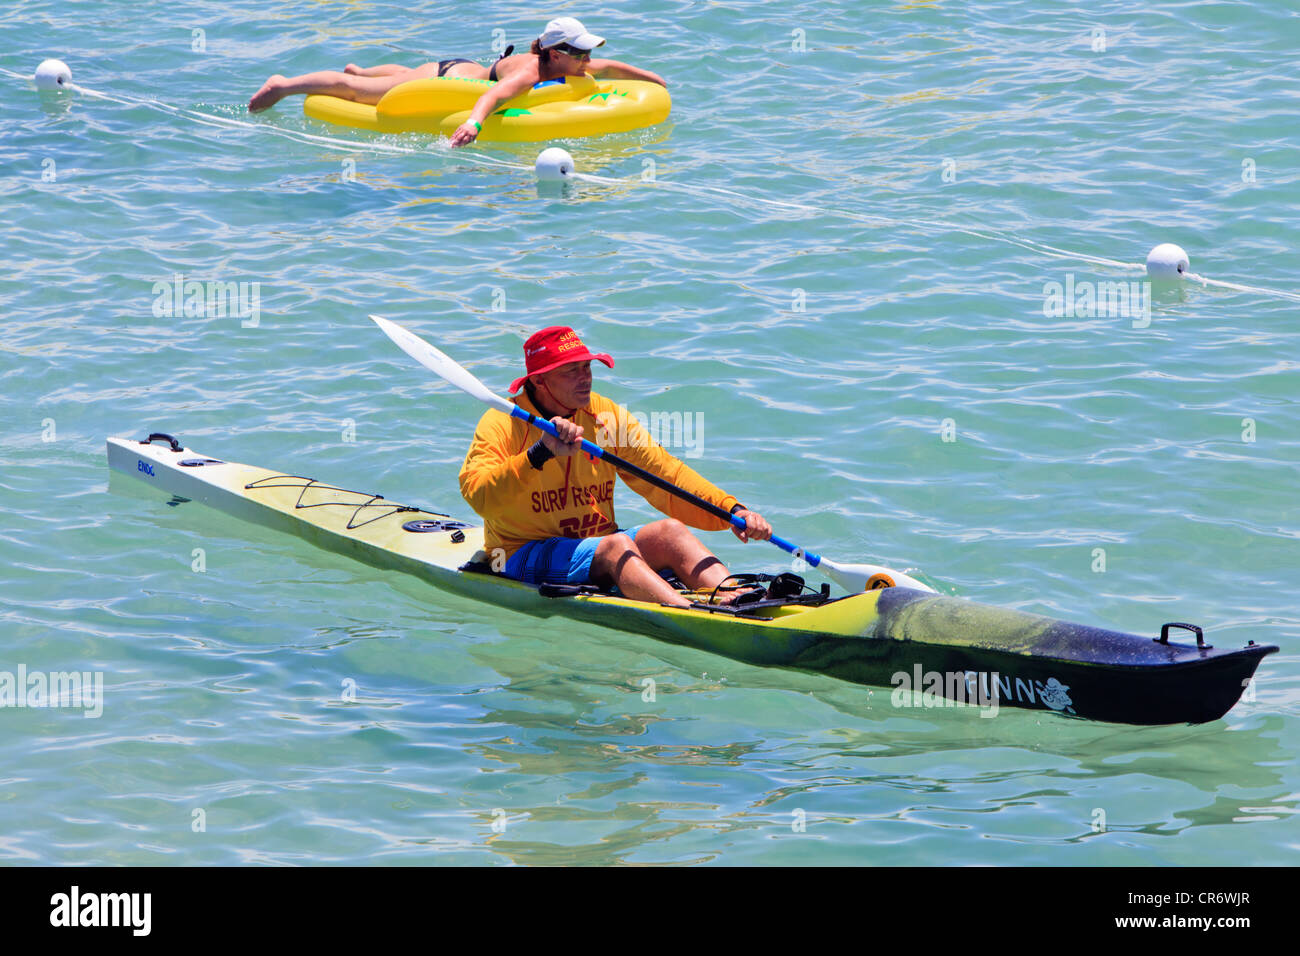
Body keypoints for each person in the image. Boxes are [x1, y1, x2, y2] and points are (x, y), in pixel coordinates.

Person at [459, 327, 773, 607]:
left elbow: (665, 474)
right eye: (571, 371)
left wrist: (731, 510)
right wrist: (540, 453)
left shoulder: (605, 416)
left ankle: (738, 597)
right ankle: (689, 614)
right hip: (520, 552)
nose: (586, 378)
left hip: (599, 544)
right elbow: (479, 496)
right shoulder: (502, 422)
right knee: (616, 546)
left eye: (587, 367)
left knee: (670, 531)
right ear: (539, 380)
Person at [248, 17, 667, 147]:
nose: (588, 60)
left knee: (387, 76)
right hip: (445, 79)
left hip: (467, 67)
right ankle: (284, 84)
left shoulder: (569, 65)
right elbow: (496, 97)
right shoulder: (529, 73)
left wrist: (656, 80)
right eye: (581, 53)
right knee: (358, 93)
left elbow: (612, 68)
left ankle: (362, 68)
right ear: (556, 53)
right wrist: (475, 124)